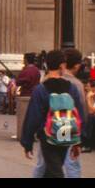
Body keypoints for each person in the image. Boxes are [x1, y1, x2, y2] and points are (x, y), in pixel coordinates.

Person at [20, 49, 86, 178]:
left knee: (54, 170)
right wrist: (79, 142)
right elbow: (79, 114)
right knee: (54, 167)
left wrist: (27, 143)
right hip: (66, 132)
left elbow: (33, 117)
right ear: (62, 65)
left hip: (48, 135)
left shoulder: (41, 89)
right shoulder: (71, 87)